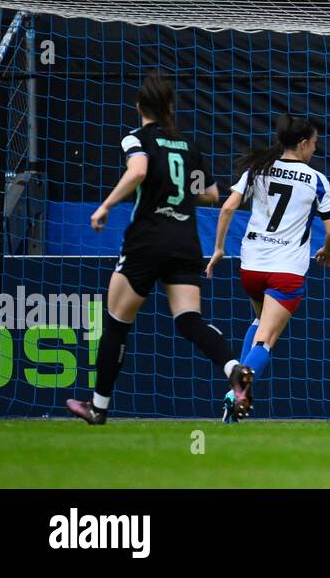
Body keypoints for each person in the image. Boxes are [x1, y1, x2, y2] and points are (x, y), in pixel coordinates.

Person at [67, 72, 254, 425]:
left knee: (117, 322)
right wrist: (180, 193)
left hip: (147, 239)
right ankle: (233, 368)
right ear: (170, 107)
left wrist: (105, 206)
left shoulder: (135, 139)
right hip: (185, 241)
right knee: (189, 319)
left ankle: (99, 406)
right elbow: (214, 196)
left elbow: (137, 172)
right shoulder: (189, 145)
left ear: (139, 107)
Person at [207, 115, 330, 422]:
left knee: (258, 322)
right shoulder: (316, 180)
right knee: (266, 340)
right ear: (304, 144)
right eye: (315, 144)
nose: (315, 150)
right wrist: (327, 251)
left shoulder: (259, 169)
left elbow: (227, 207)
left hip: (251, 267)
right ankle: (236, 394)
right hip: (286, 271)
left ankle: (235, 392)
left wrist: (218, 249)